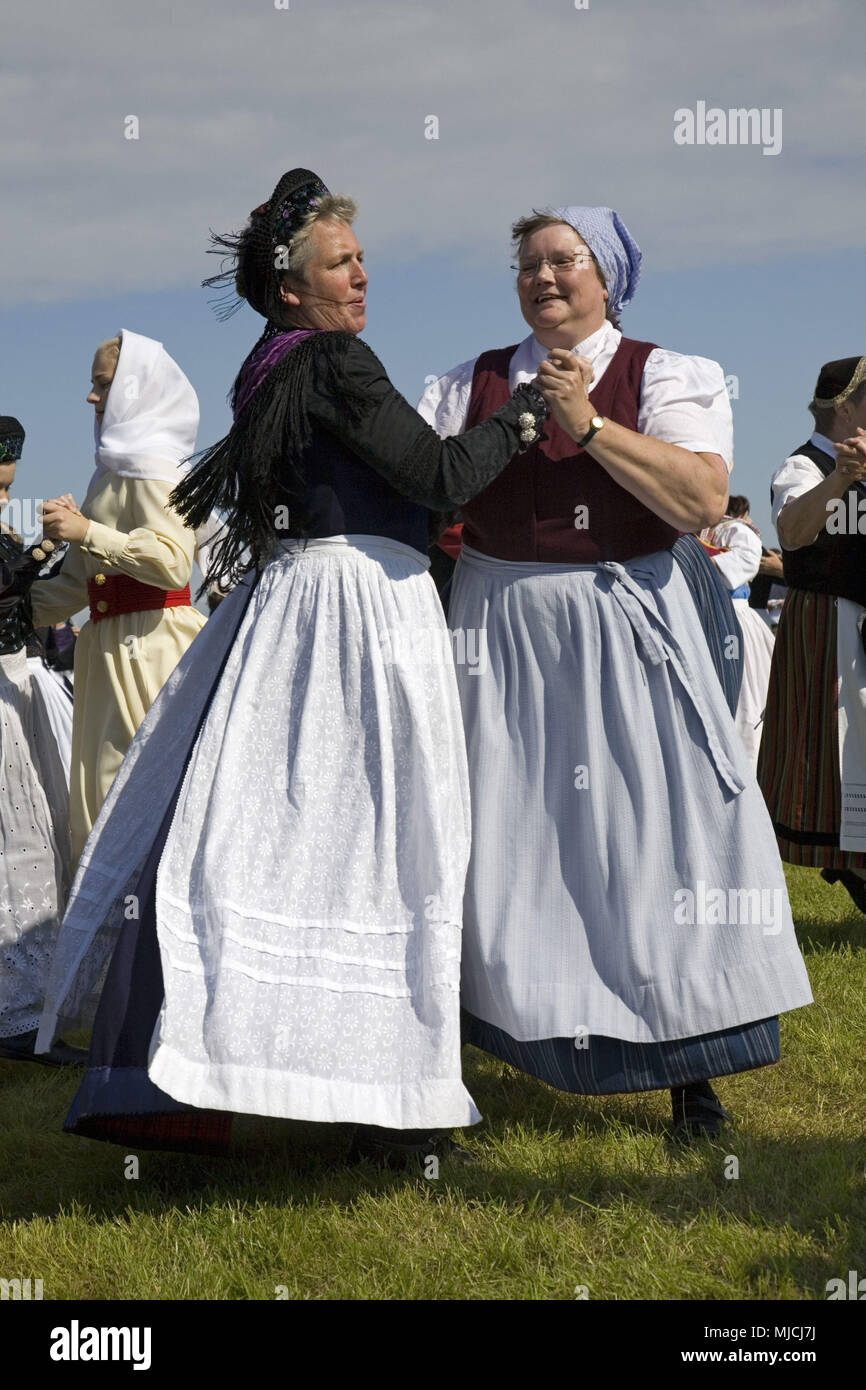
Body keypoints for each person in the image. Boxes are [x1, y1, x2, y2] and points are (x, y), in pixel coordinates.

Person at [36, 168, 551, 1160]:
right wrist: (522, 416)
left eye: (360, 257)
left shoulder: (267, 368)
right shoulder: (330, 364)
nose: (361, 275)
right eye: (338, 262)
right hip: (357, 610)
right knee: (385, 844)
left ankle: (315, 1083)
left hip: (298, 606)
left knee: (300, 846)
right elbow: (438, 478)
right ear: (290, 288)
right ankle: (386, 1110)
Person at [420, 205, 812, 1139]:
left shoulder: (666, 374)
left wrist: (586, 423)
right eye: (528, 263)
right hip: (497, 623)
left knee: (658, 837)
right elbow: (419, 485)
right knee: (502, 839)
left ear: (609, 279)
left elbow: (702, 497)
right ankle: (466, 1058)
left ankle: (691, 1076)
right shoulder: (467, 382)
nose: (543, 277)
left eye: (564, 261)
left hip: (626, 618)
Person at [28, 331, 209, 865]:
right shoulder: (109, 472)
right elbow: (74, 587)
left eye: (101, 385)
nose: (91, 398)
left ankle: (143, 940)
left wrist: (86, 531)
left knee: (140, 800)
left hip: (152, 652)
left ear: (132, 389)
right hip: (110, 655)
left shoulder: (153, 468)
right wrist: (16, 609)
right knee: (105, 803)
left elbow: (171, 562)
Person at [758, 357, 866, 912]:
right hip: (829, 628)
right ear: (846, 408)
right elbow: (793, 533)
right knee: (834, 754)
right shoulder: (802, 468)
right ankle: (845, 862)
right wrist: (843, 477)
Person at [0, 417, 83, 1065]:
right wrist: (43, 552)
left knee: (28, 828)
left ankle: (29, 1003)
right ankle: (16, 1017)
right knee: (14, 835)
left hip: (15, 682)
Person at [701, 495, 775, 766]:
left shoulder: (733, 530)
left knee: (746, 701)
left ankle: (747, 771)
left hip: (734, 619)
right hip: (702, 618)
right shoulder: (689, 531)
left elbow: (747, 558)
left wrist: (697, 568)